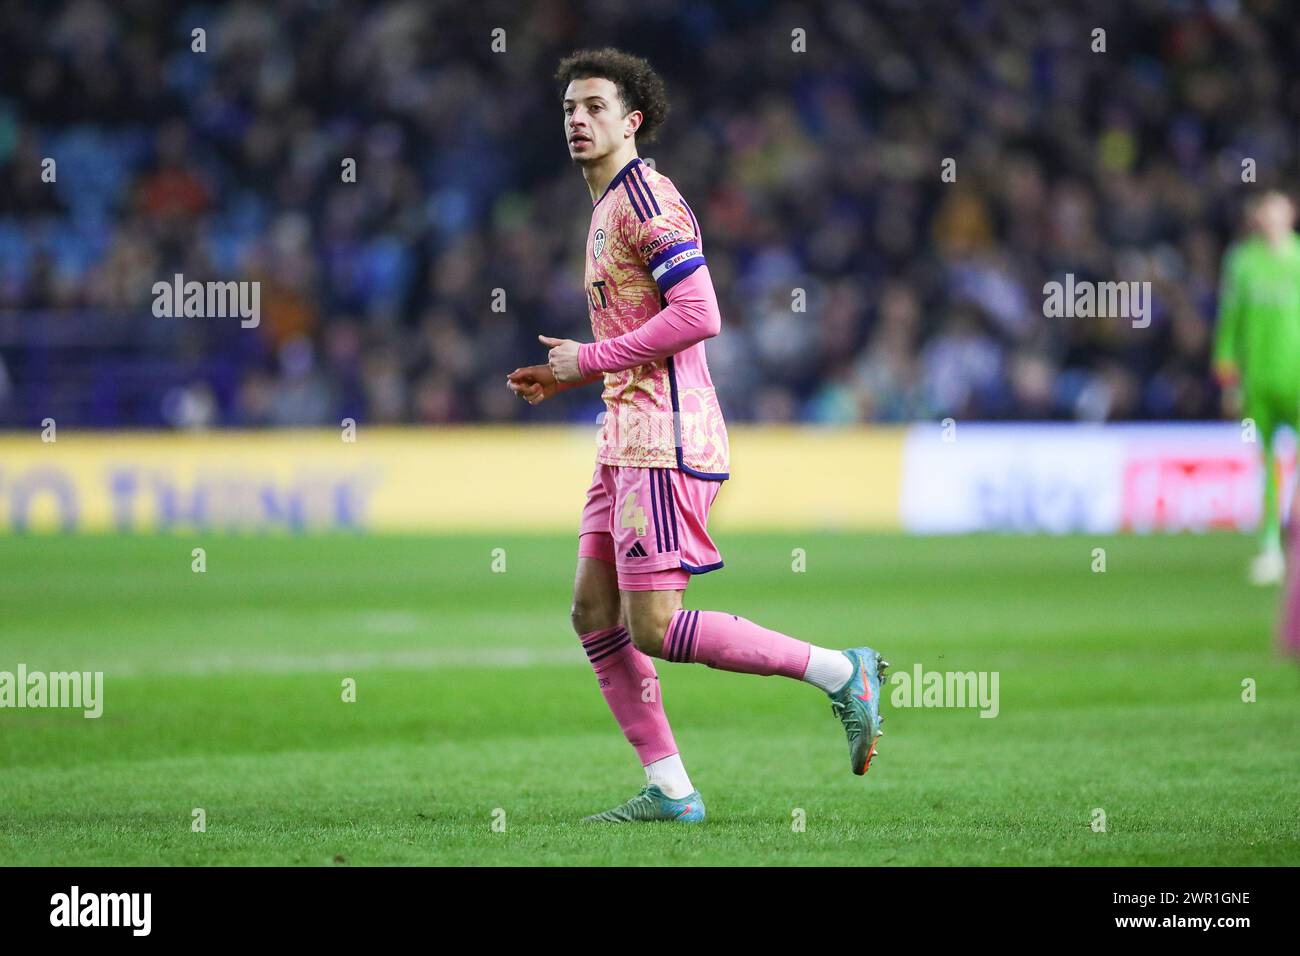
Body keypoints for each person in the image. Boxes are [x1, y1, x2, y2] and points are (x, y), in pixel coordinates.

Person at [505, 48, 888, 823]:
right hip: (625, 433)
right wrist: (576, 374)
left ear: (632, 121)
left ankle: (840, 672)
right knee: (591, 611)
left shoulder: (647, 200)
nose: (577, 120)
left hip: (666, 436)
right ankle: (673, 791)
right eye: (570, 108)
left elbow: (699, 316)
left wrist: (590, 359)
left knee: (652, 625)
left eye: (596, 108)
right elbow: (642, 324)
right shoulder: (605, 203)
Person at [1214, 191, 1300, 585]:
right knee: (1266, 465)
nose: (1270, 217)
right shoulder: (1243, 262)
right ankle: (1270, 546)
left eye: (1277, 209)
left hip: (1296, 378)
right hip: (1259, 381)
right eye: (1264, 210)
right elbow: (1229, 323)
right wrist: (1228, 378)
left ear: (1290, 213)